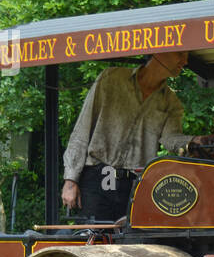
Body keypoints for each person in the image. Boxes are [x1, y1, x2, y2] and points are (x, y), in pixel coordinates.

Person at [61, 51, 193, 221]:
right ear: (160, 51)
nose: (185, 60)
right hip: (97, 177)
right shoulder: (110, 78)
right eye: (180, 53)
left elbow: (171, 139)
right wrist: (70, 181)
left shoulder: (171, 102)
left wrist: (194, 141)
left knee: (129, 243)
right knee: (93, 239)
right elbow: (82, 129)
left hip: (135, 185)